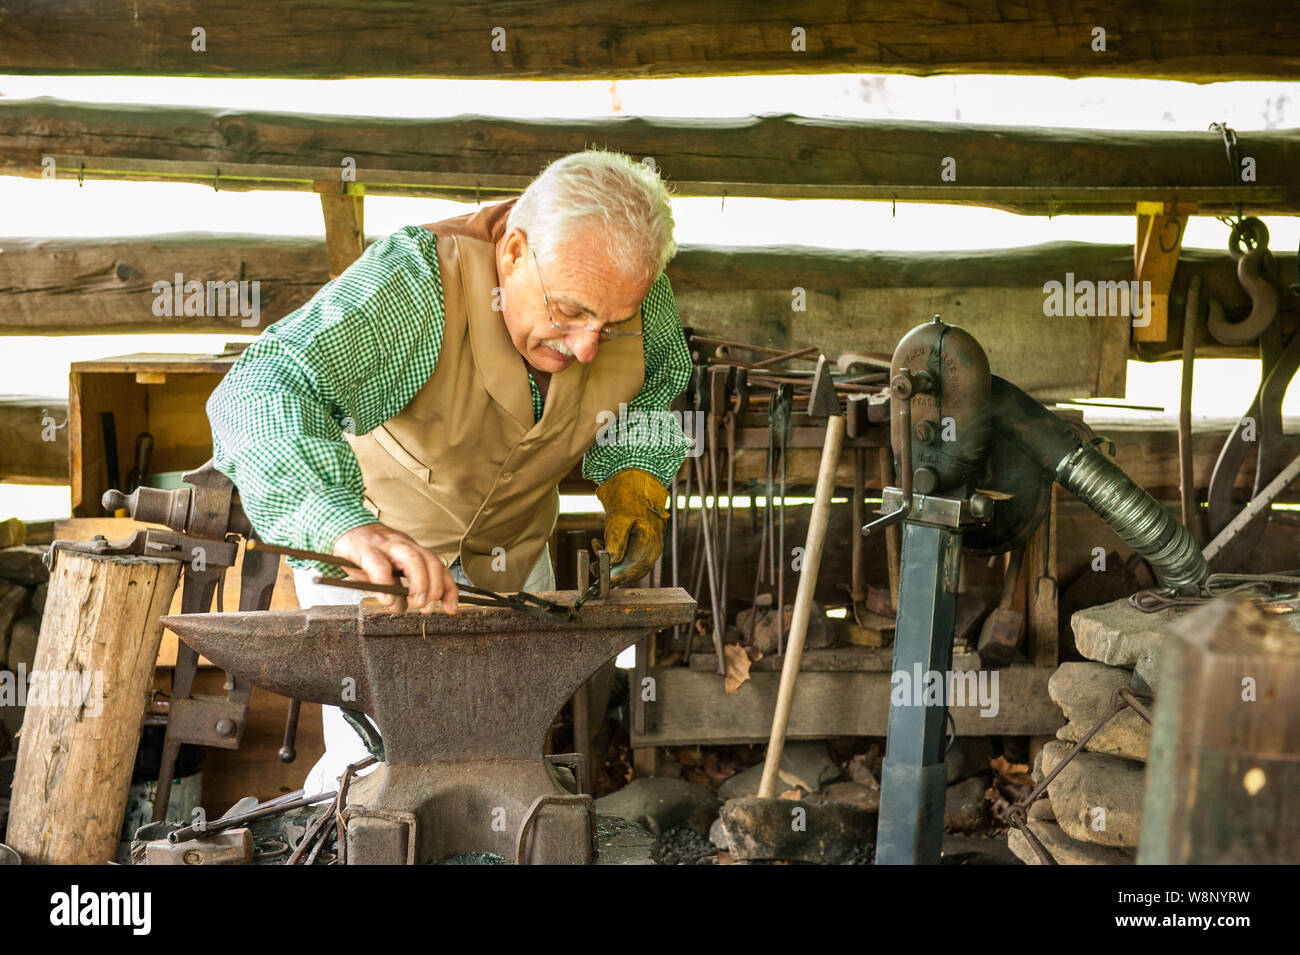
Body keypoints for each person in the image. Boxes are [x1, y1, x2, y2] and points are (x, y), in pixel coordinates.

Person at [207, 148, 693, 791]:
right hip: (379, 564)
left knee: (506, 770)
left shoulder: (631, 289)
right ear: (514, 252)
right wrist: (342, 527)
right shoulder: (417, 284)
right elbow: (264, 386)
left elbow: (653, 387)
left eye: (612, 323)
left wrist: (636, 479)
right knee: (375, 777)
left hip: (517, 567)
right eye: (569, 311)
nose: (585, 347)